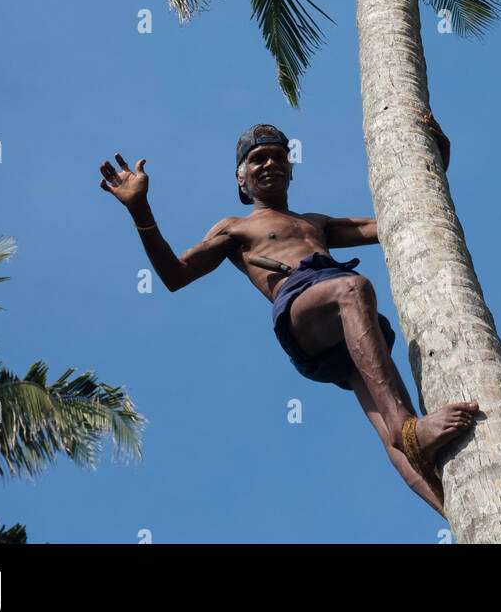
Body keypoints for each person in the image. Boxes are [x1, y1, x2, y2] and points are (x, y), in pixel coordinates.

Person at [99, 116, 478, 512]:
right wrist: (140, 210)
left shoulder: (316, 222)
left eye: (279, 156)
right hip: (303, 311)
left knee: (385, 432)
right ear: (240, 179)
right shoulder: (235, 228)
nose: (269, 164)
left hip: (351, 330)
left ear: (292, 170)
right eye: (258, 159)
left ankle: (457, 513)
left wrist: (435, 159)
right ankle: (408, 426)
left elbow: (401, 224)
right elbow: (175, 275)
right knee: (354, 288)